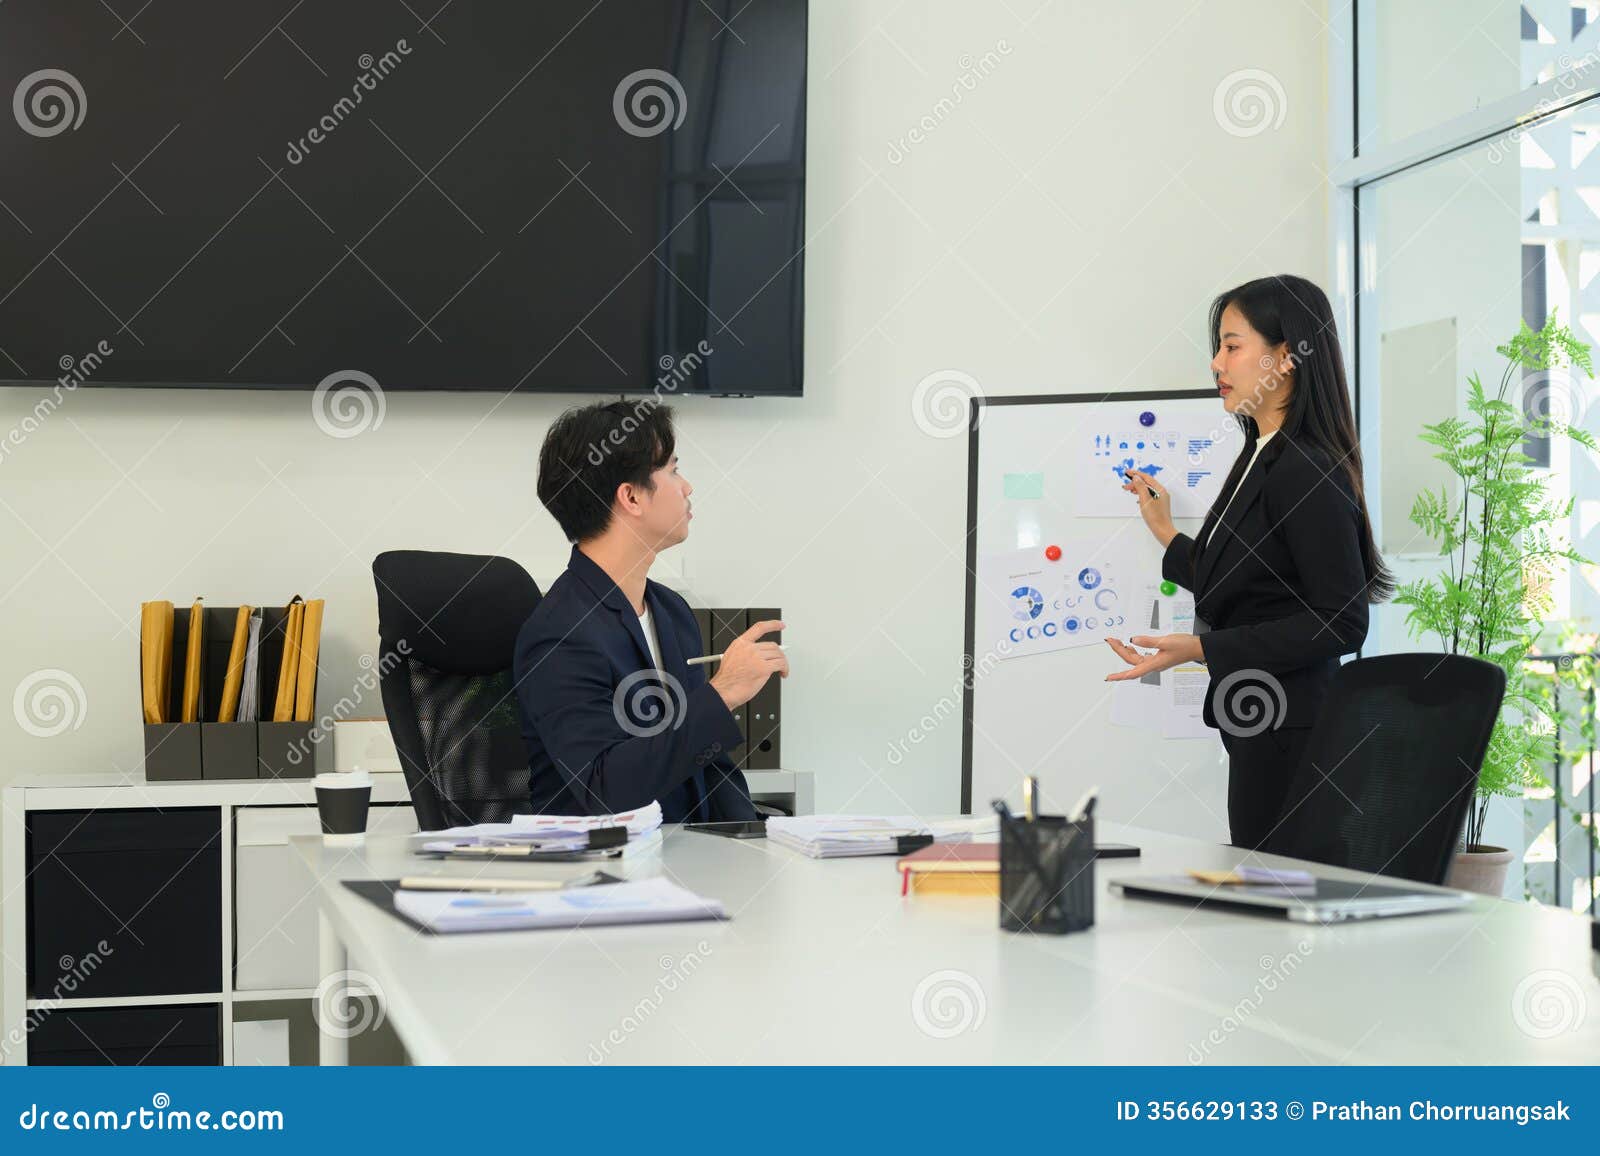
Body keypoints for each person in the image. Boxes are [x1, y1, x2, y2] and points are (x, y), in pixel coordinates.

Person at [1104, 274, 1393, 849]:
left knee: (1273, 888)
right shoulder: (1262, 453)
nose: (1216, 363)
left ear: (1286, 358)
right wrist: (1165, 532)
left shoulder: (1305, 468)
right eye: (1219, 348)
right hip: (1261, 722)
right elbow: (1244, 583)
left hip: (1293, 731)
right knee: (1259, 881)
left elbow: (1342, 621)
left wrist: (1203, 648)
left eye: (1232, 346)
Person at [513, 400, 788, 821]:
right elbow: (605, 788)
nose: (687, 487)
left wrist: (753, 837)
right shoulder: (561, 633)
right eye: (674, 471)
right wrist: (723, 692)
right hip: (603, 857)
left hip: (685, 851)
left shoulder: (671, 611)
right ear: (631, 497)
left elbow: (708, 764)